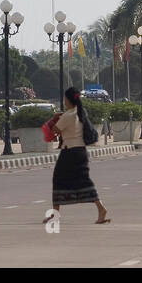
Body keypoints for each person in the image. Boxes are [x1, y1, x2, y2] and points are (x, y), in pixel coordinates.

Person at [45, 87, 111, 225]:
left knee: (59, 180)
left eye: (64, 98)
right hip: (80, 151)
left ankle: (56, 214)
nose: (64, 101)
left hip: (70, 152)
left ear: (68, 99)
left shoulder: (68, 116)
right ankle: (100, 209)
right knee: (82, 181)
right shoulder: (80, 112)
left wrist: (53, 119)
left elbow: (54, 131)